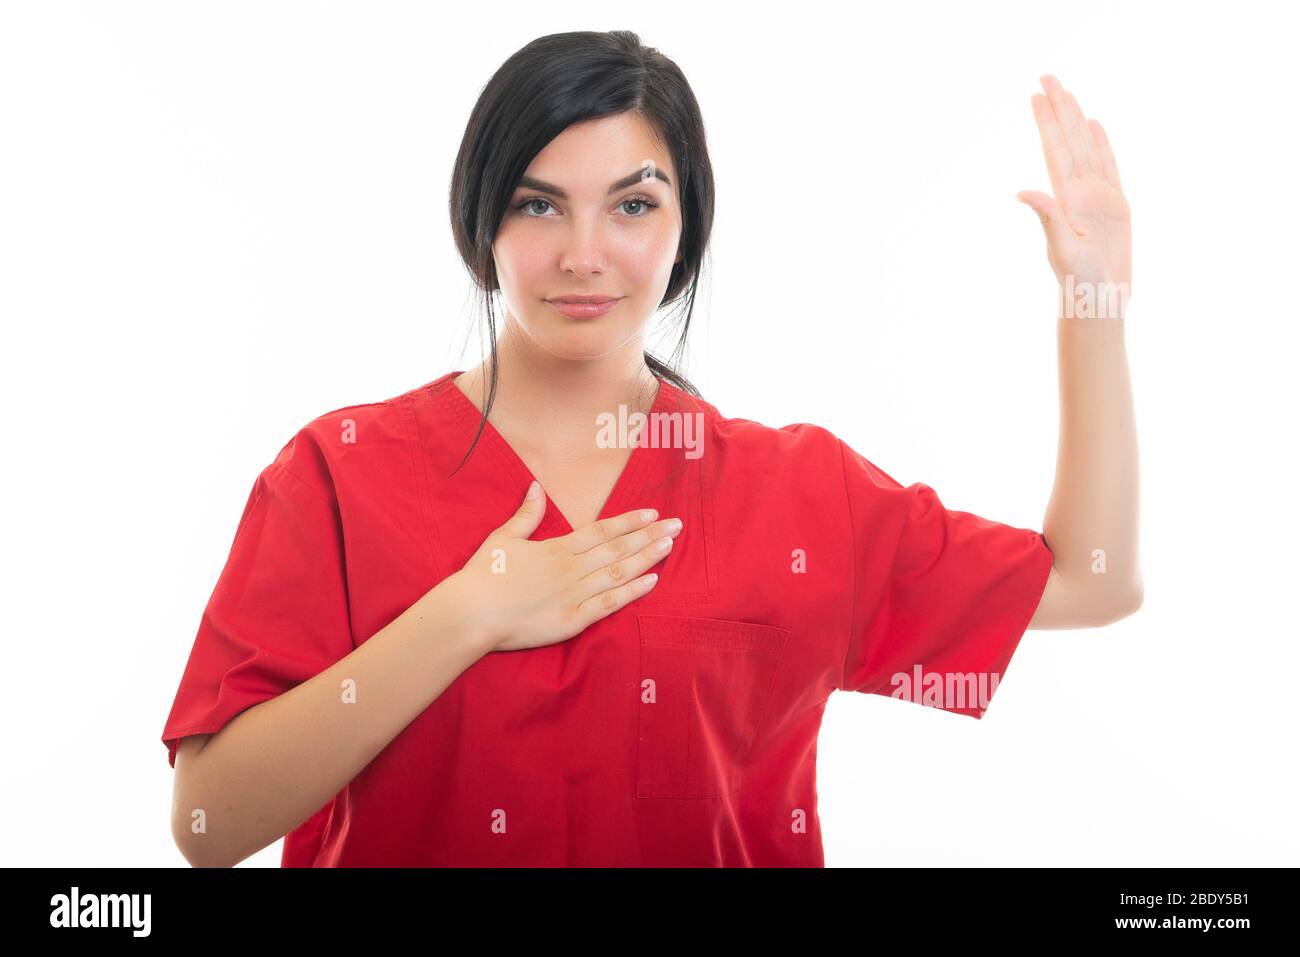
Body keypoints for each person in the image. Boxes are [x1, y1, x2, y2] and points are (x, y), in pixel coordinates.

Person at [162, 31, 1142, 867]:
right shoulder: (336, 473)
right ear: (481, 221)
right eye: (538, 204)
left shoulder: (797, 492)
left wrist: (1092, 307)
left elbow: (1092, 585)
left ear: (685, 229)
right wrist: (462, 616)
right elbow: (209, 826)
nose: (582, 252)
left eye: (632, 205)